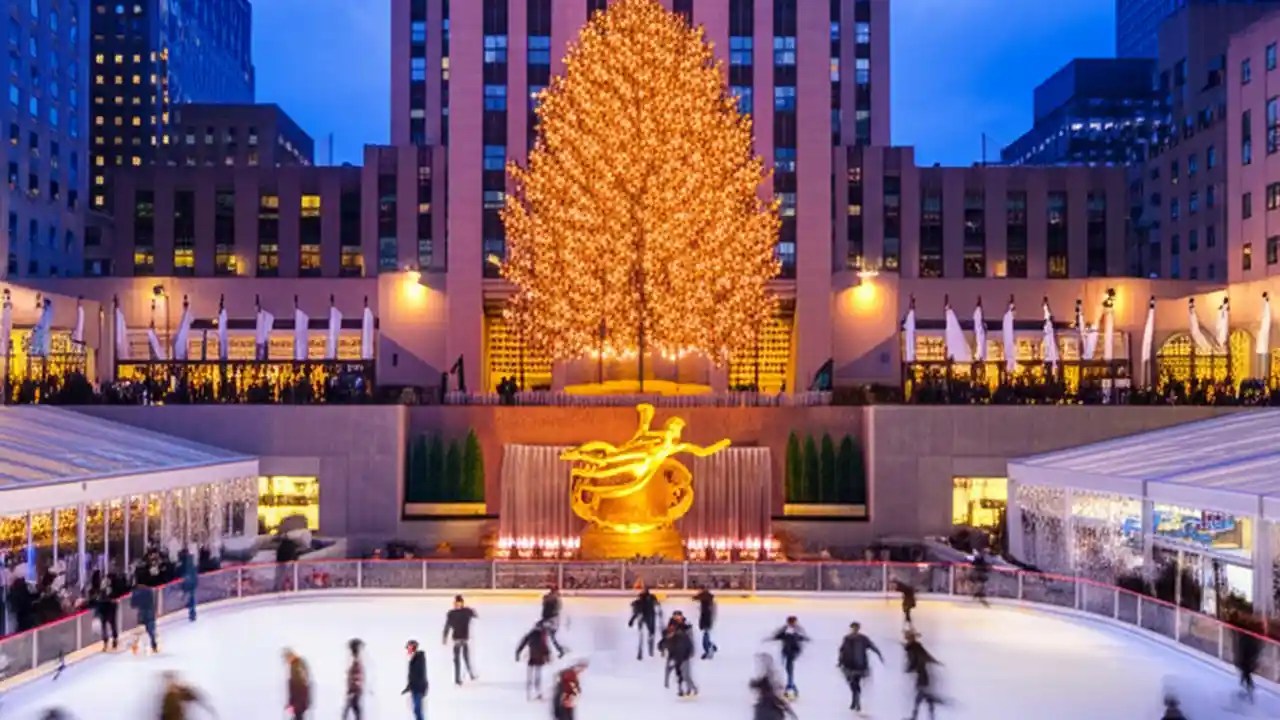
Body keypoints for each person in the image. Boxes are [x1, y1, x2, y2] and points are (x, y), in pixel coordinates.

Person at [837, 622, 883, 713]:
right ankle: (855, 700)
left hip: (859, 665)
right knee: (852, 683)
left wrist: (879, 655)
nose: (854, 630)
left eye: (856, 628)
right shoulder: (847, 639)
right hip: (849, 664)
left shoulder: (862, 639)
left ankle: (856, 702)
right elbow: (842, 650)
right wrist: (840, 661)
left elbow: (872, 647)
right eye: (853, 628)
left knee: (855, 683)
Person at [903, 630, 942, 720]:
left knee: (922, 695)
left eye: (908, 637)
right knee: (922, 696)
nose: (907, 639)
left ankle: (916, 716)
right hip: (922, 673)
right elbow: (926, 657)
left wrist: (908, 669)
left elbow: (915, 661)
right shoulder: (915, 647)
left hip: (921, 674)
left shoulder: (913, 648)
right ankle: (929, 716)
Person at [443, 594, 479, 685]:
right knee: (457, 660)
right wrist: (445, 636)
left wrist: (472, 612)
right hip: (457, 639)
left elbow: (476, 615)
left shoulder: (466, 612)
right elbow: (447, 626)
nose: (457, 605)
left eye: (459, 603)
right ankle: (457, 678)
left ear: (462, 603)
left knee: (466, 658)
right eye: (456, 603)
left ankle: (471, 674)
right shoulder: (452, 614)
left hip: (464, 638)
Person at [749, 654, 796, 720]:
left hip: (765, 711)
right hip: (771, 712)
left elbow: (752, 685)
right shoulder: (772, 686)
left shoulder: (764, 683)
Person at [516, 620, 553, 700]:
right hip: (539, 659)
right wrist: (548, 656)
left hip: (532, 659)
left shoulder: (530, 634)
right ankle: (537, 693)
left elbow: (522, 644)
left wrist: (518, 653)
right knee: (537, 677)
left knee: (530, 677)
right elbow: (545, 647)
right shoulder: (542, 636)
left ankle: (529, 694)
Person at [628, 585, 662, 660]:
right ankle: (647, 651)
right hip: (647, 615)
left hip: (648, 616)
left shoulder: (649, 597)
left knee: (648, 634)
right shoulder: (643, 598)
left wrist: (632, 620)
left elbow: (637, 610)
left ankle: (648, 651)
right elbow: (637, 610)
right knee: (646, 634)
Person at [129, 570, 158, 655]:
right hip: (149, 611)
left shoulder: (136, 591)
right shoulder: (149, 590)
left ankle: (135, 647)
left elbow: (133, 604)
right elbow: (152, 602)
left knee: (139, 630)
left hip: (142, 612)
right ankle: (154, 645)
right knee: (151, 630)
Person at [90, 571, 118, 651]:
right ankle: (108, 641)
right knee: (106, 624)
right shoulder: (98, 587)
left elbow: (112, 594)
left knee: (110, 623)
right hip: (104, 605)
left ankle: (113, 640)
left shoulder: (108, 585)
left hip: (108, 605)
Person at [1235, 621, 1262, 705]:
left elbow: (1251, 652)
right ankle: (1247, 688)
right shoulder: (1249, 640)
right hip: (1246, 662)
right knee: (1245, 674)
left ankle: (1248, 690)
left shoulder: (1248, 640)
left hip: (1246, 662)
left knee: (1246, 674)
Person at [283, 648, 312, 720]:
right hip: (299, 703)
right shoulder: (295, 665)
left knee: (298, 717)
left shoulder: (297, 666)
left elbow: (299, 686)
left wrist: (295, 703)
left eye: (286, 658)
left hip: (299, 702)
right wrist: (291, 702)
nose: (286, 661)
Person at [403, 640, 428, 720]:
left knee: (417, 709)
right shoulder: (413, 659)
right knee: (416, 710)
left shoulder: (419, 658)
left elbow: (420, 674)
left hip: (419, 688)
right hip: (414, 688)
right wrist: (408, 686)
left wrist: (422, 687)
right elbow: (412, 676)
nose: (408, 650)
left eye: (409, 648)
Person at [692, 585, 717, 659]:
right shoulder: (706, 600)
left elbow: (698, 597)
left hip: (707, 620)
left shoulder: (706, 600)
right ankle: (711, 646)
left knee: (705, 638)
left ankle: (707, 651)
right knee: (706, 636)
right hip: (706, 620)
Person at [541, 586, 566, 658]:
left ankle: (557, 651)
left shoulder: (555, 599)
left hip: (552, 620)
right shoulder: (550, 597)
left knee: (549, 635)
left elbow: (555, 610)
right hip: (550, 619)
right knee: (550, 637)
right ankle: (559, 650)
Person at [344, 639, 365, 720]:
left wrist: (353, 691)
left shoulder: (356, 662)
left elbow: (356, 677)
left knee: (350, 712)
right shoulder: (355, 661)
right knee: (355, 712)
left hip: (354, 692)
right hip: (354, 691)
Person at [179, 548, 198, 621]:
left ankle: (192, 612)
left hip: (188, 582)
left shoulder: (184, 562)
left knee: (191, 597)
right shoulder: (191, 561)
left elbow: (182, 572)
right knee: (191, 597)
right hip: (192, 582)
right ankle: (192, 611)